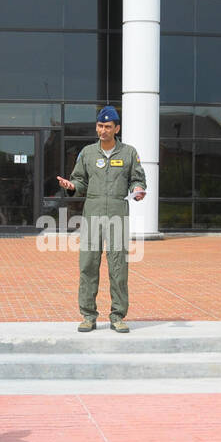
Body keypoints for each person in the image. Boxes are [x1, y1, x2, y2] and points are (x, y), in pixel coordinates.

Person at [57, 106, 147, 333]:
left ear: (117, 128)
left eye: (108, 126)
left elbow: (138, 179)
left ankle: (117, 316)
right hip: (92, 215)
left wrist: (138, 189)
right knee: (88, 265)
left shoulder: (128, 153)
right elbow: (79, 181)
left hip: (118, 214)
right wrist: (71, 186)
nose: (103, 130)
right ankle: (88, 315)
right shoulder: (87, 153)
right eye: (100, 126)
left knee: (118, 266)